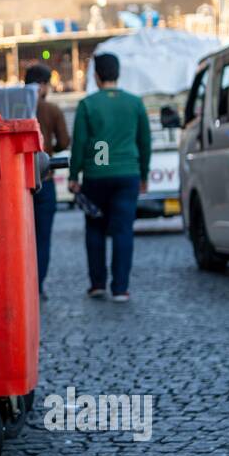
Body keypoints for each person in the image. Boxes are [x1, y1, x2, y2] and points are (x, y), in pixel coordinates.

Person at [67, 52, 151, 303]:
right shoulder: (135, 104)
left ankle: (97, 284)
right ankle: (121, 288)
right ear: (118, 73)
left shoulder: (88, 105)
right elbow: (144, 142)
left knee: (95, 227)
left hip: (96, 175)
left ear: (96, 76)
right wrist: (144, 174)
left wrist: (74, 175)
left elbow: (80, 143)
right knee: (123, 231)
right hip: (128, 174)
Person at [25, 64, 69, 298]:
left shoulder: (13, 106)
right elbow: (64, 142)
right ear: (42, 85)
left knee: (19, 237)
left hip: (17, 184)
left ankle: (19, 282)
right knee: (42, 238)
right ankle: (37, 285)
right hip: (45, 179)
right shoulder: (52, 110)